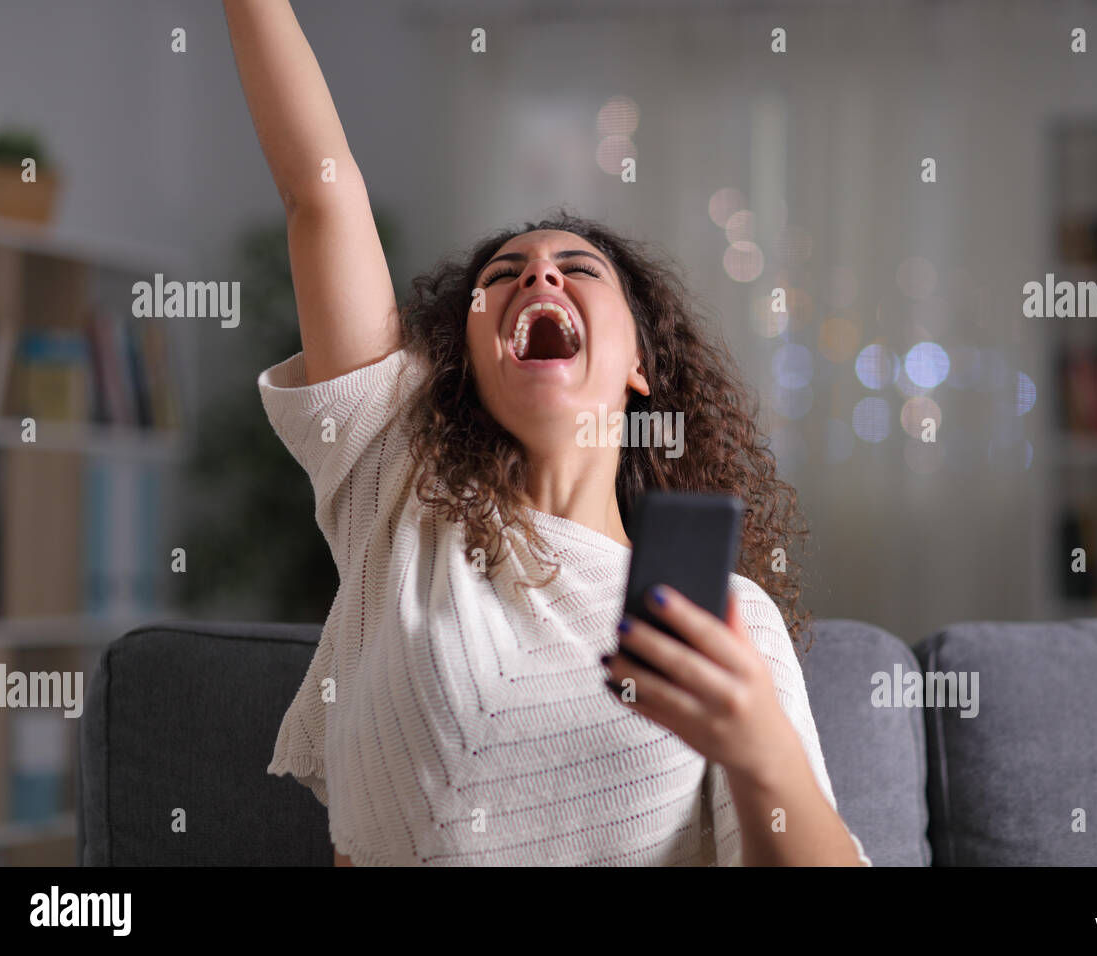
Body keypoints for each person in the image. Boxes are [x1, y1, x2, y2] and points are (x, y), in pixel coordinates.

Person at [224, 0, 870, 867]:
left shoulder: (728, 616)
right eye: (506, 275)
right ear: (469, 359)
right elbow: (320, 191)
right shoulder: (397, 484)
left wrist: (761, 745)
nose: (537, 273)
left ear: (640, 362)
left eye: (577, 270)